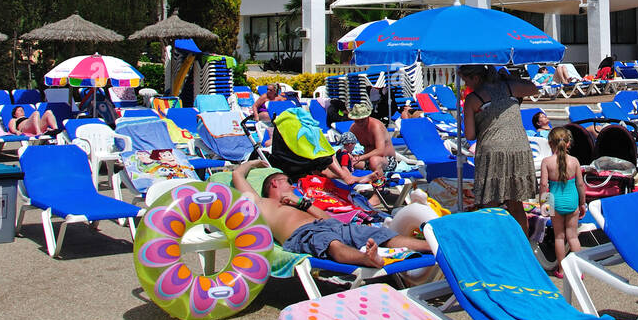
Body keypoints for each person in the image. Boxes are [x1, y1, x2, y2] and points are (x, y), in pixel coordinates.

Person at [231, 161, 428, 267]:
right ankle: (366, 259)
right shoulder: (262, 203)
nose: (292, 185)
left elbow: (327, 219)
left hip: (331, 225)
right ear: (274, 183)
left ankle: (432, 246)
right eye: (288, 181)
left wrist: (302, 203)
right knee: (332, 245)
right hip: (303, 233)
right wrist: (254, 163)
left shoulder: (299, 201)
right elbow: (237, 174)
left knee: (381, 234)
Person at [461, 65, 540, 235]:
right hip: (518, 148)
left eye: (466, 80)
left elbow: (470, 134)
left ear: (476, 78)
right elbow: (534, 88)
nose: (465, 85)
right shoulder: (510, 87)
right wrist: (510, 78)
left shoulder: (473, 99)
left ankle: (493, 245)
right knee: (516, 204)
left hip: (492, 151)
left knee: (490, 204)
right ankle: (522, 245)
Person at [539, 126, 586, 275]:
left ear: (549, 143)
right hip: (572, 200)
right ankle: (579, 271)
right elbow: (580, 184)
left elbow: (544, 185)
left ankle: (561, 269)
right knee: (573, 236)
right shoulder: (574, 161)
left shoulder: (547, 162)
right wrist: (582, 203)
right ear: (568, 143)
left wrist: (543, 204)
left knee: (559, 237)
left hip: (555, 202)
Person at [345, 101, 397, 176]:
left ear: (367, 117)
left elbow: (380, 151)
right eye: (357, 120)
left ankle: (380, 182)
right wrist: (350, 156)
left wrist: (359, 158)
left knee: (374, 160)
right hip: (367, 161)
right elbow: (346, 145)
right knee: (344, 160)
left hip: (386, 160)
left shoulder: (376, 126)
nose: (360, 123)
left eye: (362, 120)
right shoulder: (354, 128)